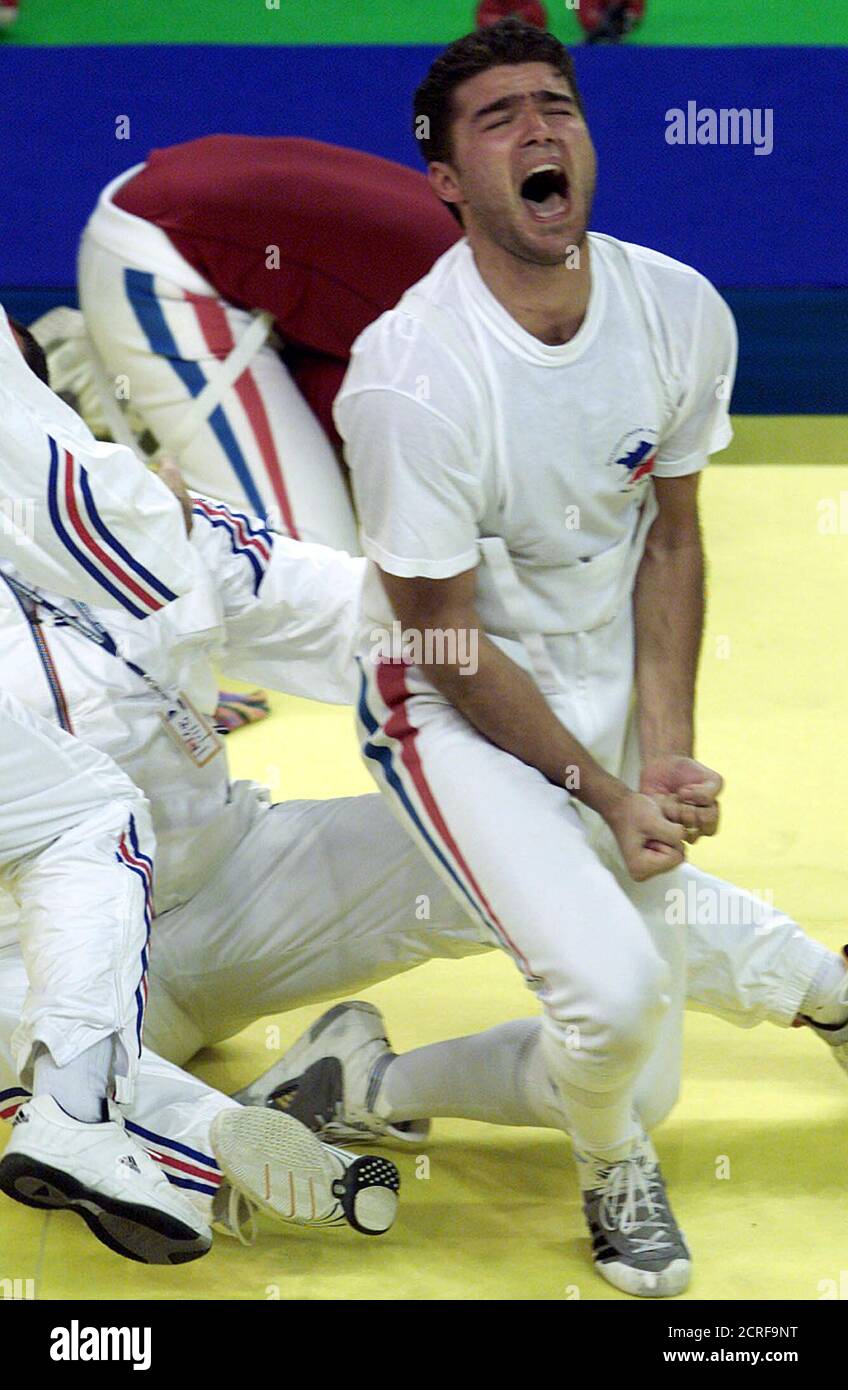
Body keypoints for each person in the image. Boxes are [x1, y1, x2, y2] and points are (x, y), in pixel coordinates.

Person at [322, 17, 843, 1296]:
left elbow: (671, 536)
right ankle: (615, 1173)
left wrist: (659, 755)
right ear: (444, 179)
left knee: (638, 1051)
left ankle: (361, 1082)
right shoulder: (413, 380)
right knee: (608, 1004)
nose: (537, 130)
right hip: (442, 695)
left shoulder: (675, 308)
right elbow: (441, 633)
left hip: (602, 670)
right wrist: (600, 793)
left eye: (554, 106)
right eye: (495, 119)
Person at [0, 312, 400, 1260]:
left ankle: (819, 987)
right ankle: (219, 1135)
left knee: (516, 842)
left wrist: (545, 690)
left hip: (236, 893)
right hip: (48, 978)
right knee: (39, 986)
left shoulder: (154, 524)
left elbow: (350, 612)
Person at [76, 137, 461, 551]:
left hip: (250, 247)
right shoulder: (478, 306)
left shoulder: (487, 291)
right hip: (166, 247)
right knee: (308, 569)